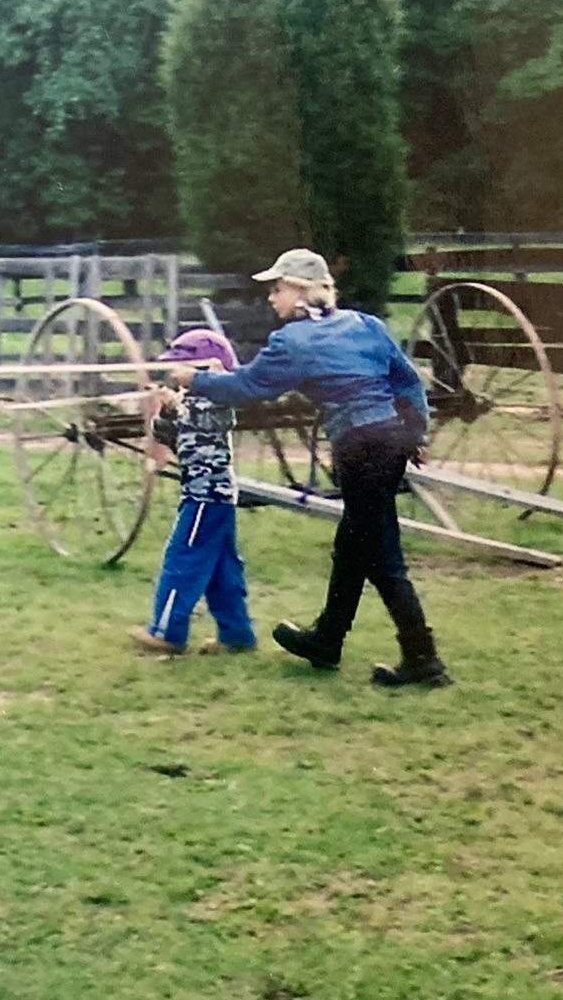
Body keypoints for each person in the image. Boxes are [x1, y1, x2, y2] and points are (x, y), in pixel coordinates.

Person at [168, 247, 448, 688]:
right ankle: (327, 640)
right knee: (353, 547)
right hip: (390, 444)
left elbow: (248, 387)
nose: (271, 298)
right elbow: (407, 381)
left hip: (359, 451)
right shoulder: (365, 324)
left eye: (277, 289)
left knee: (382, 556)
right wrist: (416, 435)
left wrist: (194, 380)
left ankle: (423, 658)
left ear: (300, 292)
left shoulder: (292, 342)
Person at [129, 329, 257, 657]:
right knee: (222, 568)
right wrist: (168, 410)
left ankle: (167, 631)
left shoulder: (219, 398)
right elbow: (168, 436)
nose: (174, 374)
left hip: (207, 495)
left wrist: (186, 400)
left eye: (181, 367)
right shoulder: (193, 400)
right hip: (208, 496)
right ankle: (237, 633)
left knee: (183, 557)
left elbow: (212, 418)